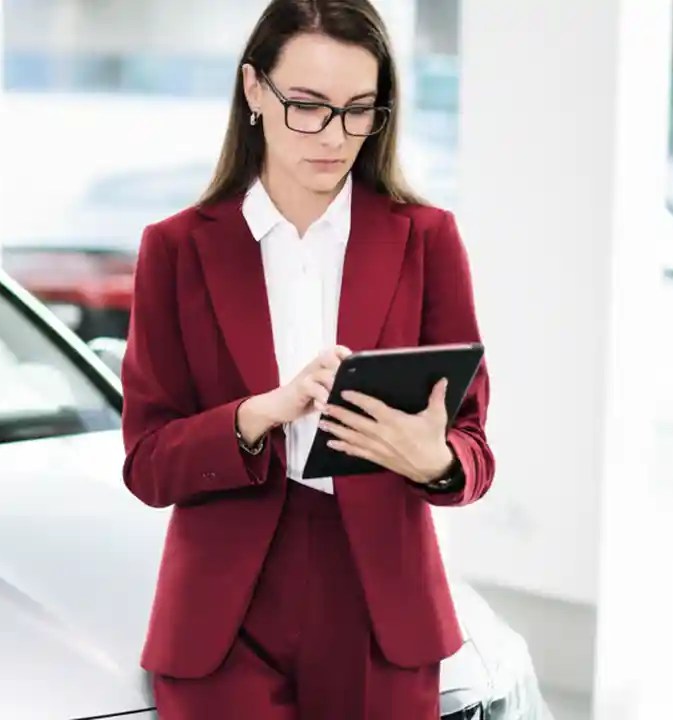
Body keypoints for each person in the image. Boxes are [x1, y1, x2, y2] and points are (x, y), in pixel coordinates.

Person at [119, 0, 495, 717]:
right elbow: (146, 463)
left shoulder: (428, 240)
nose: (335, 135)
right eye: (309, 107)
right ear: (254, 91)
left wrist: (436, 463)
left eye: (360, 110)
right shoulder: (174, 250)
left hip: (380, 607)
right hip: (223, 617)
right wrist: (259, 413)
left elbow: (474, 447)